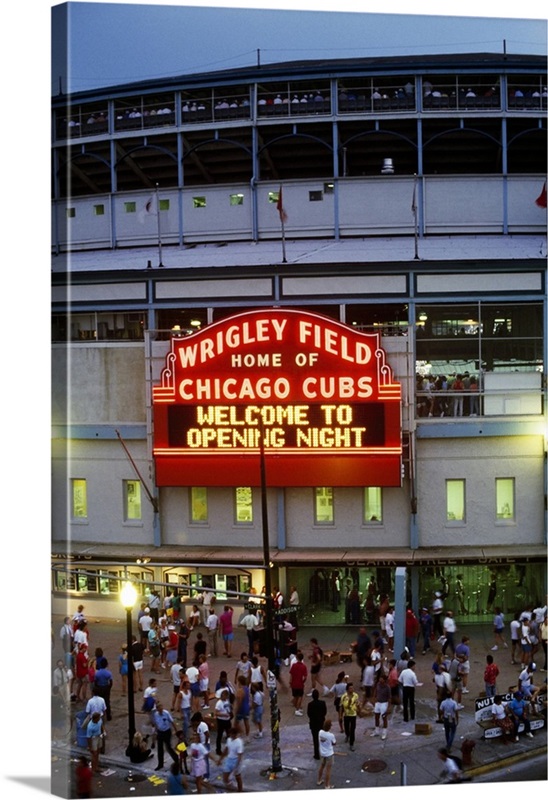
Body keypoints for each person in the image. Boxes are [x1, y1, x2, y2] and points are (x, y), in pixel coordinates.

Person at [152, 702, 180, 771]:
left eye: (161, 708)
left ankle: (176, 759)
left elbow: (172, 722)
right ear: (157, 709)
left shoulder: (166, 713)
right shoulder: (156, 715)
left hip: (167, 732)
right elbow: (155, 724)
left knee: (169, 747)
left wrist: (177, 731)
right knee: (160, 748)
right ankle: (160, 764)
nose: (161, 710)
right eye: (159, 709)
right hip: (160, 732)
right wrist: (155, 733)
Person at [220, 726, 244, 792]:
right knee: (225, 778)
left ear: (235, 734)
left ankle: (240, 791)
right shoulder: (229, 740)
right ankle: (232, 788)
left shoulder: (239, 742)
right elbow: (226, 749)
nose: (230, 735)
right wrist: (220, 759)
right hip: (229, 760)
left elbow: (240, 755)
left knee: (238, 777)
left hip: (236, 760)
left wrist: (237, 766)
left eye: (232, 734)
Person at [340, 681, 361, 751]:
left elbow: (357, 703)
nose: (352, 689)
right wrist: (340, 715)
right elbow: (342, 706)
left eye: (352, 688)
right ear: (347, 689)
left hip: (353, 714)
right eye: (350, 688)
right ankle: (347, 735)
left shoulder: (356, 695)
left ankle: (351, 744)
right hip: (346, 714)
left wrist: (358, 708)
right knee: (346, 727)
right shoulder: (344, 697)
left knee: (353, 729)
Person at [307, 688, 327, 759]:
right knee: (322, 738)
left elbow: (309, 714)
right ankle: (324, 752)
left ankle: (316, 754)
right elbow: (325, 712)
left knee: (315, 739)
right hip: (321, 722)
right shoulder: (322, 703)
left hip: (313, 724)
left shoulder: (310, 704)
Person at [370, 671, 391, 740]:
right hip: (378, 703)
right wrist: (374, 698)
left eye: (381, 679)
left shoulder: (387, 687)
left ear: (384, 680)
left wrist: (388, 707)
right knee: (376, 717)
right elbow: (375, 691)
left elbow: (389, 698)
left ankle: (384, 732)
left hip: (384, 703)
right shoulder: (378, 684)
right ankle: (377, 731)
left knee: (384, 718)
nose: (380, 680)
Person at [316, 719, 336, 789]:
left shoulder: (320, 732)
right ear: (329, 727)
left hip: (322, 753)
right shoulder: (331, 735)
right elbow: (334, 743)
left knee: (322, 766)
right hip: (329, 753)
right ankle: (327, 785)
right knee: (328, 770)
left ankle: (319, 780)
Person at [191, 710, 211, 780]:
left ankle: (206, 776)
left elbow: (207, 735)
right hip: (200, 744)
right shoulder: (196, 726)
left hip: (205, 744)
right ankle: (201, 773)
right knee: (200, 761)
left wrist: (205, 744)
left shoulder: (203, 725)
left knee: (205, 761)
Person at [214, 688, 233, 755]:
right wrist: (224, 714)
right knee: (220, 735)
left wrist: (230, 712)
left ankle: (230, 748)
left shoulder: (227, 701)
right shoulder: (219, 703)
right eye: (225, 696)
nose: (226, 697)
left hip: (227, 720)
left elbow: (228, 708)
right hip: (221, 721)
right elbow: (216, 713)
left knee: (230, 734)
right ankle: (218, 750)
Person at [289, 651, 308, 715]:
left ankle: (297, 707)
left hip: (294, 684)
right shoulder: (303, 667)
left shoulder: (294, 665)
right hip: (300, 684)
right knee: (300, 696)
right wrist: (303, 682)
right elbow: (305, 677)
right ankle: (297, 709)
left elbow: (291, 674)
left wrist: (290, 682)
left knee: (295, 696)